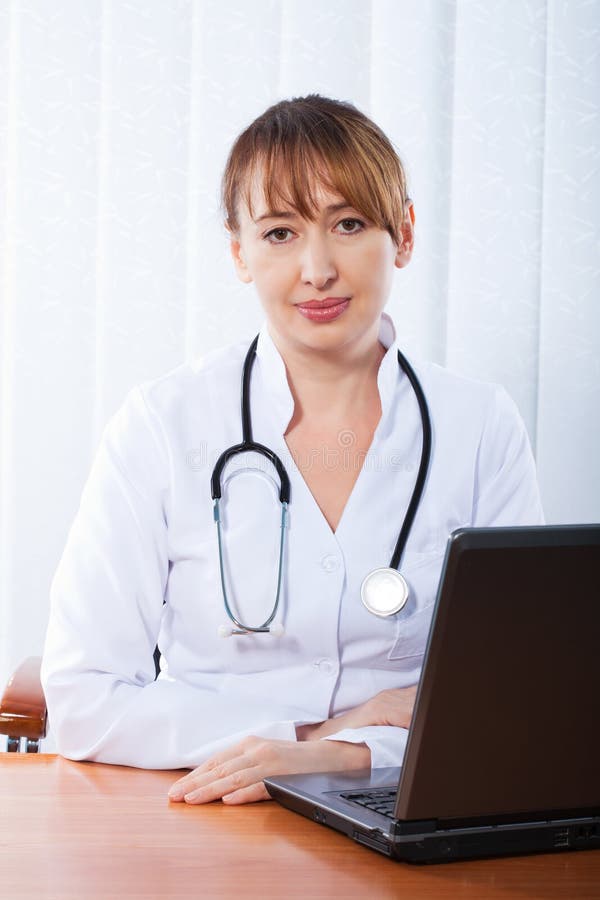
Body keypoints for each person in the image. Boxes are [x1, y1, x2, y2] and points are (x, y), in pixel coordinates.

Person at [41, 95, 544, 806]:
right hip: (206, 813)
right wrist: (317, 736)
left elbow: (513, 694)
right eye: (280, 232)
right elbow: (82, 699)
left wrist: (348, 758)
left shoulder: (481, 426)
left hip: (406, 812)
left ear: (402, 234)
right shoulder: (161, 424)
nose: (317, 268)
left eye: (348, 224)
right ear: (239, 252)